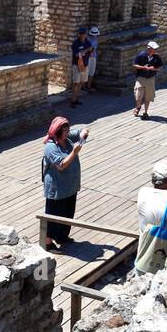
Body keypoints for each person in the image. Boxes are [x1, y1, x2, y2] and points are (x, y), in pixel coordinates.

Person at [41, 116, 86, 251]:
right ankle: (47, 243)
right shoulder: (50, 147)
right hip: (57, 188)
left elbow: (82, 131)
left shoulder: (66, 138)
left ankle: (61, 236)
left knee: (67, 213)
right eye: (65, 130)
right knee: (54, 216)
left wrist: (84, 133)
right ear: (58, 131)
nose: (68, 132)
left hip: (70, 186)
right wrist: (74, 152)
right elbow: (61, 165)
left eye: (68, 129)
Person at [133, 40, 164, 119]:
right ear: (149, 49)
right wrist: (144, 67)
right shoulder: (141, 55)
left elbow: (160, 67)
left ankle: (145, 112)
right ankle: (138, 107)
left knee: (148, 96)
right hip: (140, 78)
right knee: (138, 95)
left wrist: (154, 69)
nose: (155, 50)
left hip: (150, 79)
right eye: (154, 48)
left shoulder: (157, 57)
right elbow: (135, 65)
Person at [69, 27, 92, 106]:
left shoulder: (87, 42)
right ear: (79, 35)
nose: (84, 35)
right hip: (77, 65)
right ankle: (73, 100)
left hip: (85, 65)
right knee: (76, 83)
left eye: (85, 34)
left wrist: (86, 51)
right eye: (82, 34)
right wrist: (86, 50)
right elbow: (76, 54)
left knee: (81, 83)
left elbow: (91, 49)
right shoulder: (75, 43)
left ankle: (76, 99)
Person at [85, 25, 101, 92]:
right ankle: (86, 87)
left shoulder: (93, 39)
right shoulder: (88, 39)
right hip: (89, 57)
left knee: (91, 73)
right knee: (89, 73)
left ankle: (88, 87)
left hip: (92, 57)